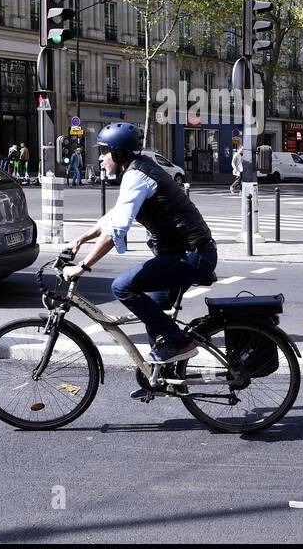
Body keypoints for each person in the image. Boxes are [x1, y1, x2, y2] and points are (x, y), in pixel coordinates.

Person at [65, 121, 216, 366]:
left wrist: (82, 266)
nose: (100, 159)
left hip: (190, 255)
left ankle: (180, 342)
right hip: (186, 253)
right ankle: (161, 375)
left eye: (103, 152)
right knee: (154, 311)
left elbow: (117, 229)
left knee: (122, 287)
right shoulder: (139, 170)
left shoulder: (136, 175)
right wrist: (80, 238)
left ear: (118, 153)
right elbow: (114, 216)